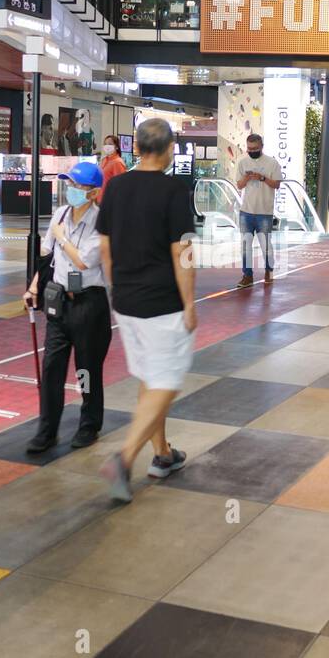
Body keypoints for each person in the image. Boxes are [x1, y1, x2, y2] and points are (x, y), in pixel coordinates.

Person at [96, 118, 197, 503]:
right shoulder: (174, 190)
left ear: (136, 148)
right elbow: (182, 251)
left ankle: (162, 453)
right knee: (166, 382)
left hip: (126, 301)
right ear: (169, 149)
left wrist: (116, 289)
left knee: (150, 377)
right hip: (162, 304)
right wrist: (189, 303)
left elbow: (105, 247)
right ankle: (123, 459)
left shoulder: (116, 187)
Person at [23, 160, 110, 454]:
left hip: (89, 304)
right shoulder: (60, 214)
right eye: (69, 183)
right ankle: (46, 430)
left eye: (77, 185)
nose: (71, 189)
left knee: (86, 370)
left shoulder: (101, 222)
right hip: (59, 302)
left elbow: (84, 261)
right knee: (52, 368)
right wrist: (34, 287)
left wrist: (62, 238)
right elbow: (48, 257)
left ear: (93, 192)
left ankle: (89, 425)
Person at [235, 132, 282, 287]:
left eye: (255, 148)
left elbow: (277, 184)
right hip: (246, 211)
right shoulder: (242, 163)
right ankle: (247, 275)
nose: (252, 151)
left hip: (264, 212)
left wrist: (262, 178)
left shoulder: (272, 163)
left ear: (261, 146)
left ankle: (269, 270)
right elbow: (239, 185)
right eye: (249, 149)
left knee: (266, 245)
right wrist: (247, 177)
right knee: (245, 246)